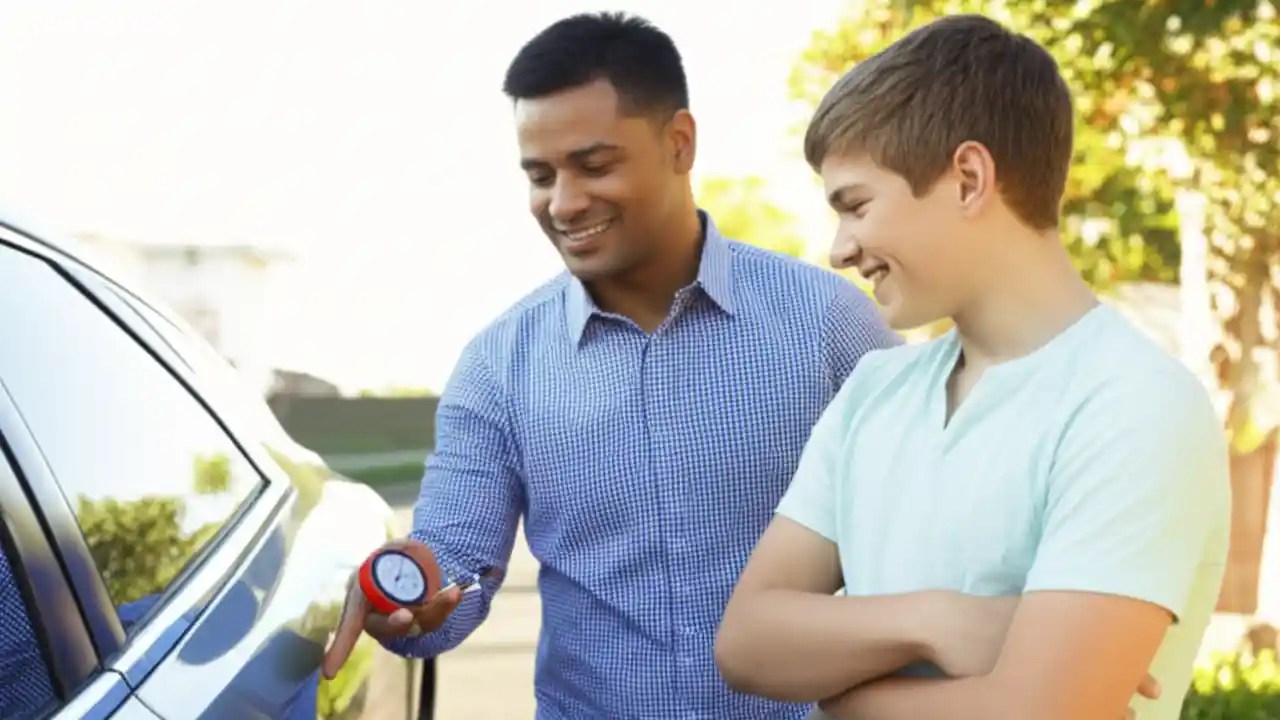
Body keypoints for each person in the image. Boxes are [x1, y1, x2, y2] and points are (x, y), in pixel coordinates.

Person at [322, 11, 898, 719]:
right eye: (541, 175)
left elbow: (922, 541)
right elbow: (453, 568)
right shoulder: (498, 367)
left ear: (679, 143)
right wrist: (415, 606)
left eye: (594, 166)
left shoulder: (829, 325)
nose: (564, 203)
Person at [714, 14, 1230, 720]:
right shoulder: (873, 390)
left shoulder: (1135, 404)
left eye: (856, 205)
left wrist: (838, 695)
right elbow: (746, 643)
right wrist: (942, 620)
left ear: (967, 178)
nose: (840, 248)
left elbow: (1038, 714)